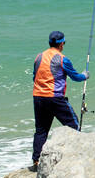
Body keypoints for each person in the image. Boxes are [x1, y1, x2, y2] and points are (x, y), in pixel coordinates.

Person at [31, 30, 87, 163]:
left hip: (38, 96)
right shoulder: (62, 59)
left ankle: (36, 160)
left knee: (41, 130)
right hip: (54, 97)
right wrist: (85, 75)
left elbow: (35, 77)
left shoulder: (39, 57)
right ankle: (74, 155)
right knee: (73, 124)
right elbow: (75, 77)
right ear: (61, 44)